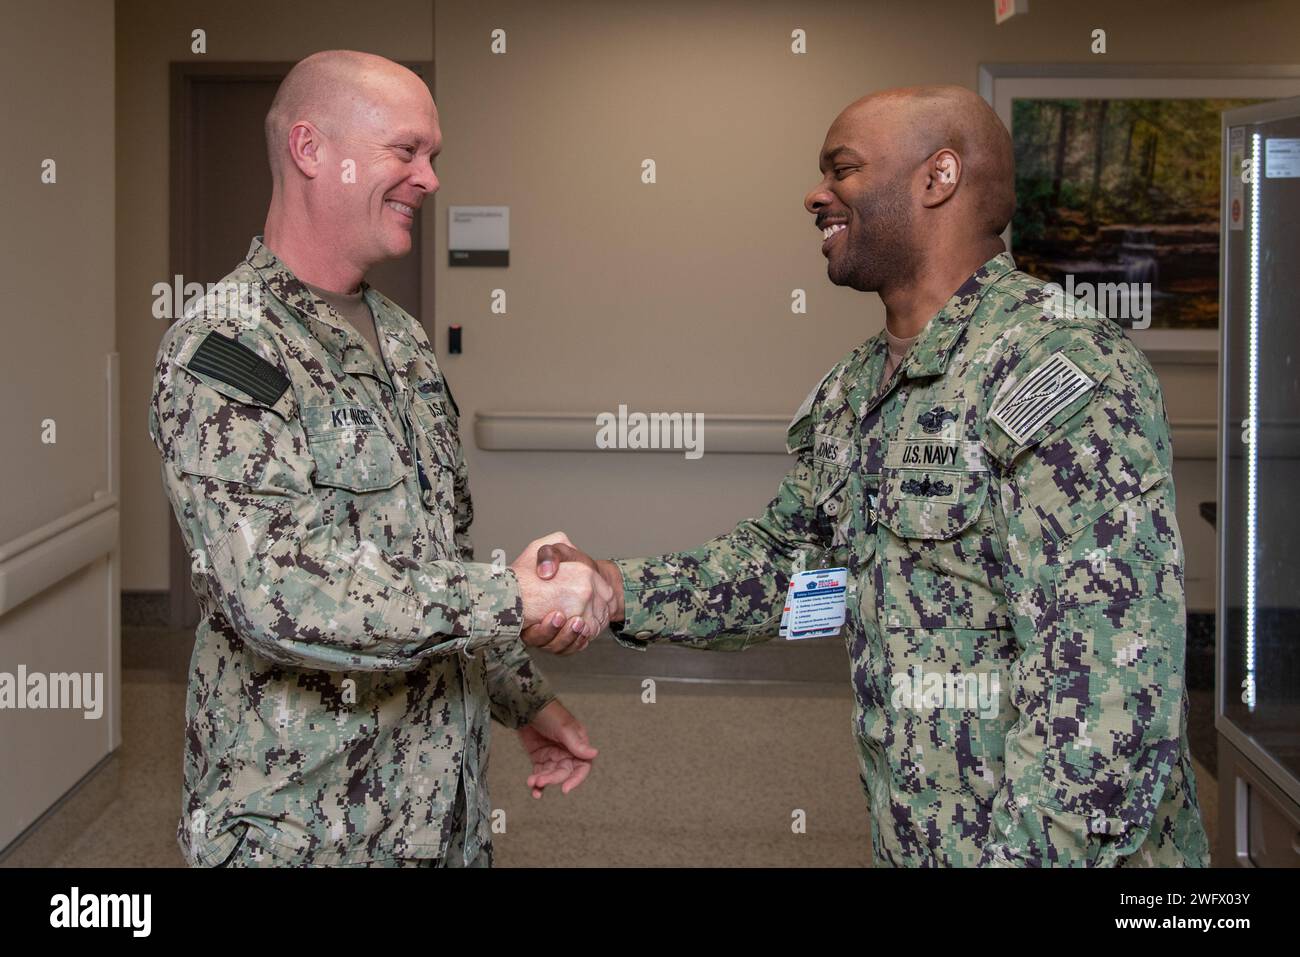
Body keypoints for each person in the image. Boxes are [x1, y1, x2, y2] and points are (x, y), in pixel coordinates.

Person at [532, 86, 1211, 867]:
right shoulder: (857, 389)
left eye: (842, 169)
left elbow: (1108, 699)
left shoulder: (1057, 367)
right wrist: (615, 587)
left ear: (938, 178)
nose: (817, 195)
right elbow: (794, 577)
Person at [148, 50, 609, 867]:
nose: (429, 179)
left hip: (440, 817)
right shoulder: (227, 345)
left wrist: (521, 698)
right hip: (306, 831)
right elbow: (280, 590)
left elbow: (434, 560)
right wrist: (513, 593)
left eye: (434, 156)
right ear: (310, 149)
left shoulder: (399, 337)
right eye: (407, 151)